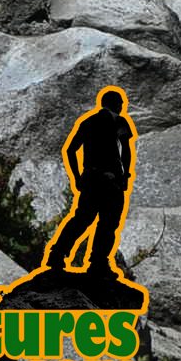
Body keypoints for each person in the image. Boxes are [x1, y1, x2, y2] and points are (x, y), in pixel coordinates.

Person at [43, 87, 137, 277]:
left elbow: (69, 150)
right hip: (110, 180)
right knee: (108, 223)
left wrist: (77, 177)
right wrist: (126, 175)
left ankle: (56, 256)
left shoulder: (87, 121)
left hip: (90, 178)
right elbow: (126, 149)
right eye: (121, 104)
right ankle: (97, 263)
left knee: (81, 219)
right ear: (117, 104)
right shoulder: (119, 120)